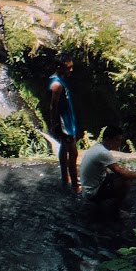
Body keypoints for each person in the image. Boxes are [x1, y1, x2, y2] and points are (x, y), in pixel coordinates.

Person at [79, 125, 136, 213]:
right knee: (125, 180)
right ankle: (116, 210)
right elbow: (122, 174)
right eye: (117, 140)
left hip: (90, 186)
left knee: (126, 174)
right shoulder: (103, 153)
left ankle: (112, 202)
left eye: (120, 140)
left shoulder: (97, 147)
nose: (119, 143)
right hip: (91, 193)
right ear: (107, 139)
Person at [47, 55, 80, 193]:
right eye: (68, 67)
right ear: (59, 67)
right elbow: (53, 107)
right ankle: (75, 186)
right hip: (65, 125)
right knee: (73, 153)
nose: (71, 70)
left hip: (68, 121)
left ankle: (65, 178)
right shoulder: (57, 85)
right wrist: (55, 125)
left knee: (64, 149)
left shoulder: (58, 80)